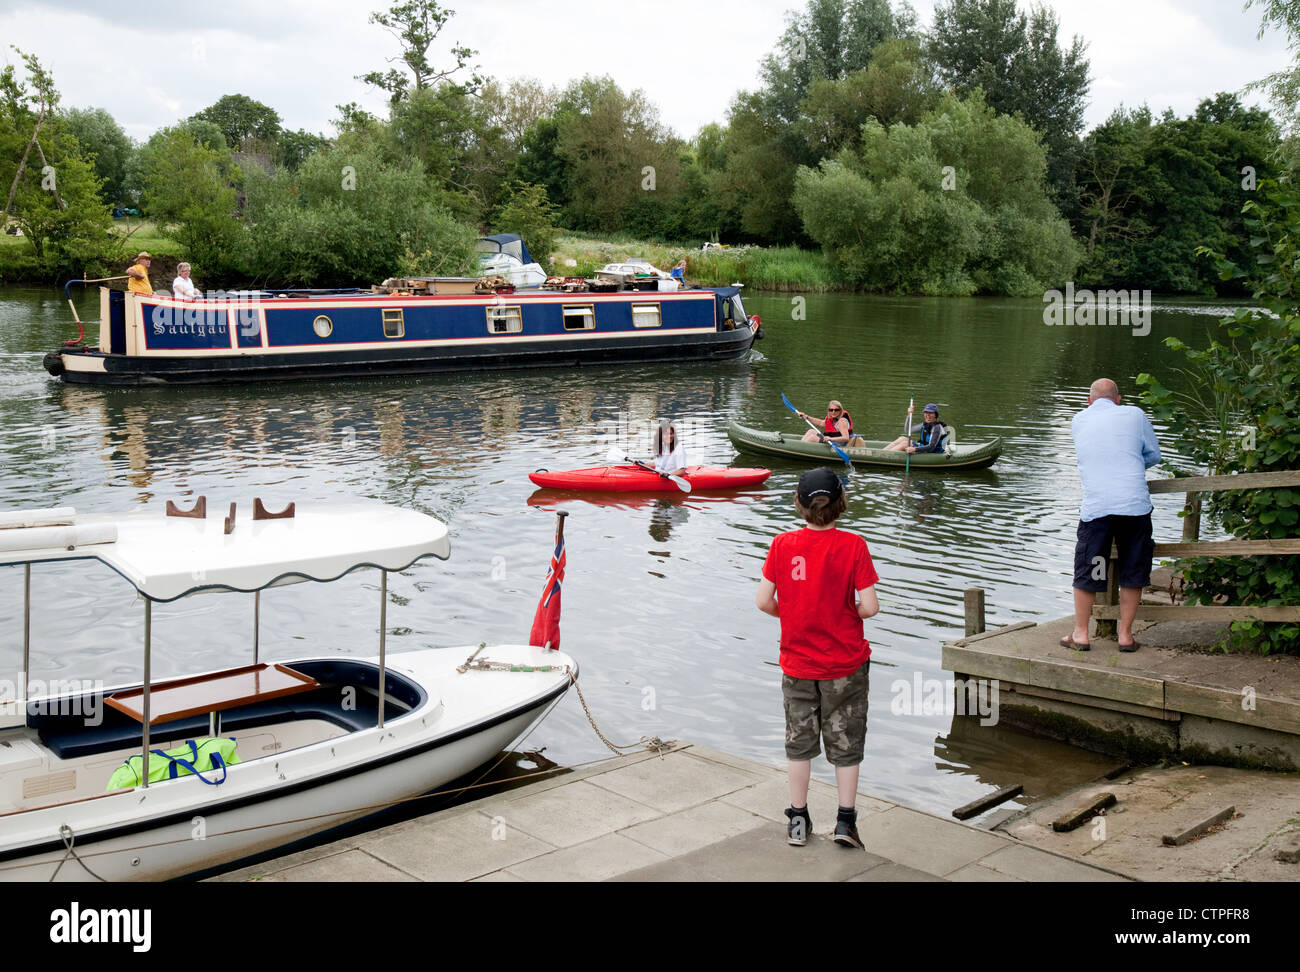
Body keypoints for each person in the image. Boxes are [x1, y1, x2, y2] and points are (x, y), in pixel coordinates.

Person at [754, 467, 880, 850]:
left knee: (799, 743)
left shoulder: (781, 545)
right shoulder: (853, 545)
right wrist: (845, 611)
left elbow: (763, 601)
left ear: (799, 504)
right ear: (841, 504)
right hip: (845, 664)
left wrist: (792, 612)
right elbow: (870, 608)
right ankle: (845, 822)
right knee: (846, 744)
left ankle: (797, 819)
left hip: (797, 663)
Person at [1064, 378, 1161, 652]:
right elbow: (1154, 455)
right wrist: (1130, 459)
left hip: (1098, 509)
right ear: (1119, 398)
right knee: (1133, 568)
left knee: (1091, 566)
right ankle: (1125, 636)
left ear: (1089, 401)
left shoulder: (1078, 420)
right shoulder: (1135, 414)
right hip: (1134, 506)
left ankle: (1081, 634)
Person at [798, 400, 864, 447]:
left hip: (840, 443)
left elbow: (846, 438)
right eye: (831, 410)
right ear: (828, 410)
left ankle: (799, 448)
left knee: (812, 438)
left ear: (840, 410)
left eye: (836, 410)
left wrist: (830, 439)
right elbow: (821, 423)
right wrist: (806, 417)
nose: (833, 412)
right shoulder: (832, 418)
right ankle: (799, 447)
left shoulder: (842, 421)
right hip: (833, 439)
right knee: (811, 431)